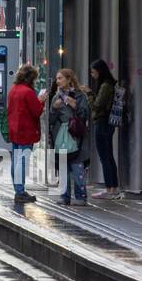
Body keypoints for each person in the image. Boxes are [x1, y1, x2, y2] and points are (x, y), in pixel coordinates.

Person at [48, 68, 91, 206]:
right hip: (60, 136)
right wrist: (54, 108)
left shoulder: (80, 96)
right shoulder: (56, 97)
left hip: (76, 136)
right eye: (57, 78)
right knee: (63, 166)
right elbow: (51, 120)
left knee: (77, 165)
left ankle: (81, 196)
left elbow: (85, 115)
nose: (57, 81)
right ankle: (64, 195)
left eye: (60, 78)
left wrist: (75, 105)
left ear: (69, 79)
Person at [6, 63, 42, 204]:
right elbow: (37, 111)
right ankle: (20, 191)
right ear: (30, 78)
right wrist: (42, 101)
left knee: (16, 159)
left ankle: (18, 189)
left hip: (15, 129)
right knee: (22, 161)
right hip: (26, 131)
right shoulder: (28, 92)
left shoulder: (14, 89)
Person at [88, 59, 121, 199]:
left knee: (105, 156)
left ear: (99, 71)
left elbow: (96, 105)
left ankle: (110, 189)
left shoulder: (105, 86)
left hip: (102, 122)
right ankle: (113, 188)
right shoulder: (109, 84)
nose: (92, 74)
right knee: (108, 155)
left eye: (93, 72)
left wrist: (89, 94)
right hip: (108, 123)